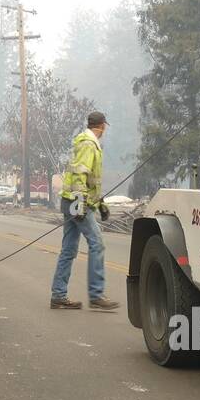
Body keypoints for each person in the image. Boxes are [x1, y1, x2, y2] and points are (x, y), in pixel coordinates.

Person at [50, 110, 119, 311]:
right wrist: (80, 204)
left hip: (71, 201)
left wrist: (101, 204)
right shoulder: (89, 144)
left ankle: (58, 296)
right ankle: (96, 295)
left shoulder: (85, 142)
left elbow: (91, 182)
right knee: (97, 244)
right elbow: (81, 175)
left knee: (69, 250)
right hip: (76, 202)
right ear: (102, 126)